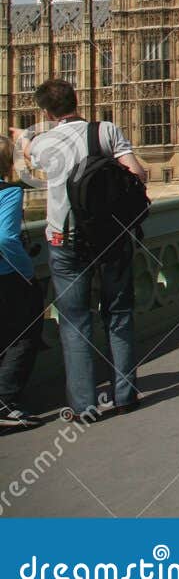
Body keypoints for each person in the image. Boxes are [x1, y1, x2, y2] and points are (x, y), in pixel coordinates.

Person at [15, 80, 147, 419]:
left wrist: (24, 139)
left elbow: (28, 154)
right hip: (110, 237)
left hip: (65, 242)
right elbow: (138, 173)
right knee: (118, 315)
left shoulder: (44, 142)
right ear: (78, 101)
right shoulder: (105, 131)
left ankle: (84, 405)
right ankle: (125, 395)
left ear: (46, 112)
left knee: (75, 323)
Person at [0, 136, 45, 429]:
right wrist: (27, 272)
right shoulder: (9, 192)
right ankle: (5, 403)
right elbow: (5, 239)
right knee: (25, 333)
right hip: (7, 277)